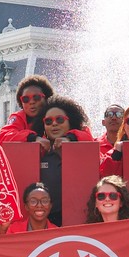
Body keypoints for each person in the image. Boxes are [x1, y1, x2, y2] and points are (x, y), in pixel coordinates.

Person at [36, 94, 92, 224]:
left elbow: (87, 136)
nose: (54, 124)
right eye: (48, 121)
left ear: (70, 121)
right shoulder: (40, 152)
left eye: (60, 119)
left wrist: (70, 139)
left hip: (78, 219)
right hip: (45, 220)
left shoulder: (82, 144)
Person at [0, 75, 55, 142]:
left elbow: (69, 127)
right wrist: (32, 137)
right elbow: (4, 136)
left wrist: (69, 137)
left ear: (46, 98)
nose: (32, 102)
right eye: (26, 99)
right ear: (21, 102)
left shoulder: (57, 113)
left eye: (36, 97)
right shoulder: (19, 117)